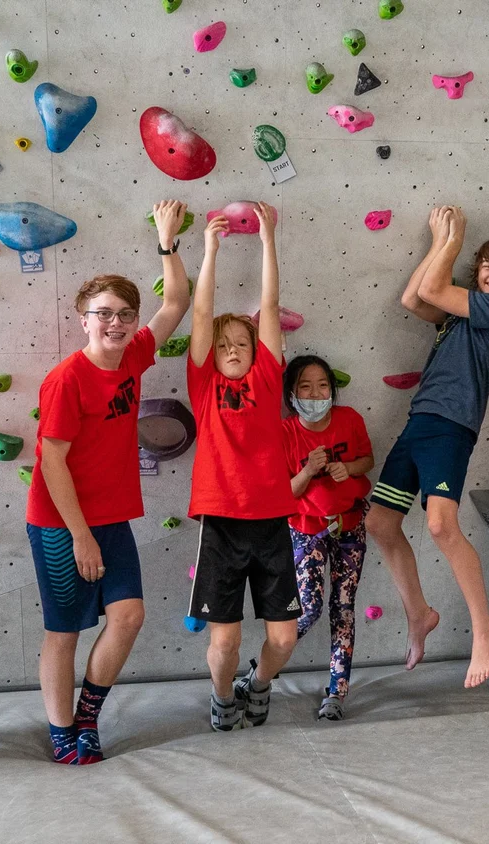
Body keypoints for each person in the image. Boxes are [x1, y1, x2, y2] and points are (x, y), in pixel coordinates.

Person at [25, 200, 193, 763]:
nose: (116, 323)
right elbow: (52, 463)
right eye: (104, 313)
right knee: (64, 631)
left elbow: (176, 303)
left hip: (110, 515)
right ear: (84, 319)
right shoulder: (66, 380)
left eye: (124, 313)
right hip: (61, 523)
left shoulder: (133, 356)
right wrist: (80, 536)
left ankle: (87, 718)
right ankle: (60, 733)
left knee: (129, 615)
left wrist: (166, 241)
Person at [367, 204, 489, 689]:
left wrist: (453, 239)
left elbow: (435, 290)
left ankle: (485, 630)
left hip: (452, 426)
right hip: (419, 422)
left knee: (441, 525)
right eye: (488, 267)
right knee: (379, 522)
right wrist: (440, 244)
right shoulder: (461, 315)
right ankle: (420, 614)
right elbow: (414, 298)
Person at [186, 202, 301, 731]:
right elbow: (202, 315)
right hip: (222, 524)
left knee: (284, 638)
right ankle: (220, 695)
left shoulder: (267, 378)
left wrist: (268, 241)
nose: (232, 349)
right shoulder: (204, 384)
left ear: (257, 351)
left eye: (242, 343)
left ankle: (258, 684)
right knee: (226, 641)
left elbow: (269, 305)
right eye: (223, 345)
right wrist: (210, 250)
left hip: (272, 522)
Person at [282, 355, 375, 720]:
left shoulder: (350, 419)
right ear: (292, 394)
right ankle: (265, 665)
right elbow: (284, 494)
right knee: (309, 608)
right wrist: (309, 470)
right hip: (306, 530)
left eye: (322, 386)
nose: (315, 394)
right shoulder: (285, 432)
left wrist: (347, 468)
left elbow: (367, 460)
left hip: (350, 524)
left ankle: (337, 692)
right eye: (305, 387)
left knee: (344, 607)